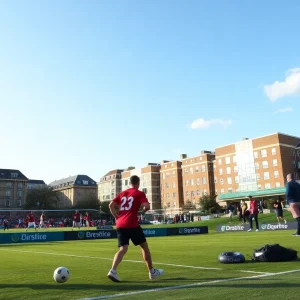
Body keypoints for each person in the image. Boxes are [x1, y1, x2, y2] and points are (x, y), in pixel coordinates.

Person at [107, 175, 163, 282]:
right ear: (138, 183)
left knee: (123, 249)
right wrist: (142, 211)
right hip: (131, 224)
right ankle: (152, 272)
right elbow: (147, 206)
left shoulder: (123, 193)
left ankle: (113, 270)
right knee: (144, 246)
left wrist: (117, 217)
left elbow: (111, 205)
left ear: (130, 183)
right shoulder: (139, 193)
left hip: (120, 224)